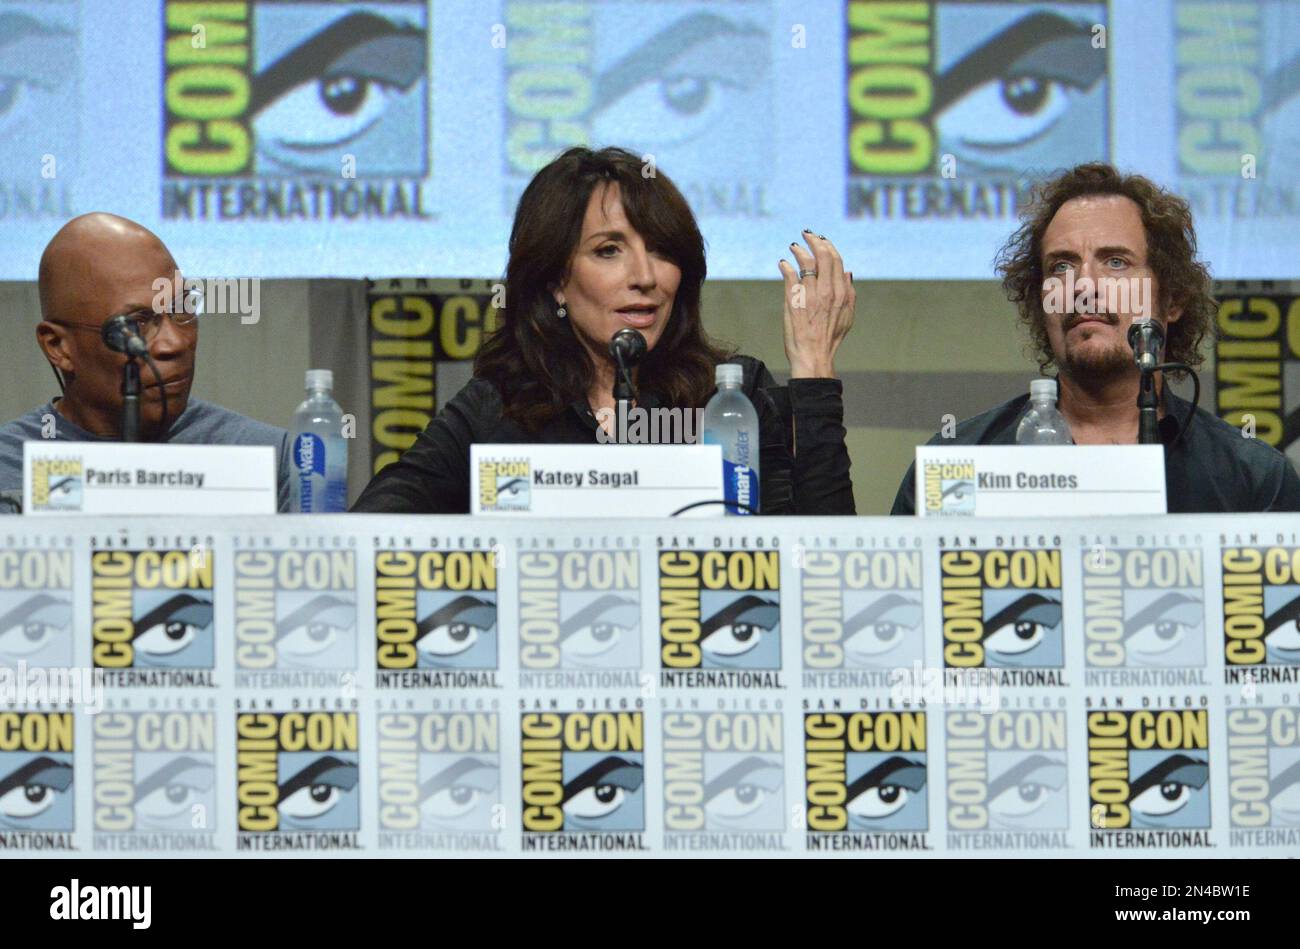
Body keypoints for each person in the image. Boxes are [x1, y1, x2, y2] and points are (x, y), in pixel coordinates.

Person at [353, 146, 856, 514]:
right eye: (608, 250)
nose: (646, 276)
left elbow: (824, 571)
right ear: (555, 280)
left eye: (661, 249)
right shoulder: (502, 408)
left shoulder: (731, 397)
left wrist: (813, 371)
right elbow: (368, 535)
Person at [891, 162, 1300, 515]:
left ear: (1171, 299)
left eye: (1116, 262)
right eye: (1062, 266)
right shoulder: (957, 465)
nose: (1083, 285)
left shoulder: (1251, 477)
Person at [0, 213, 292, 513]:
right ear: (58, 347)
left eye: (182, 308)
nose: (175, 343)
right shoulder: (9, 472)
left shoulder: (264, 460)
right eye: (134, 324)